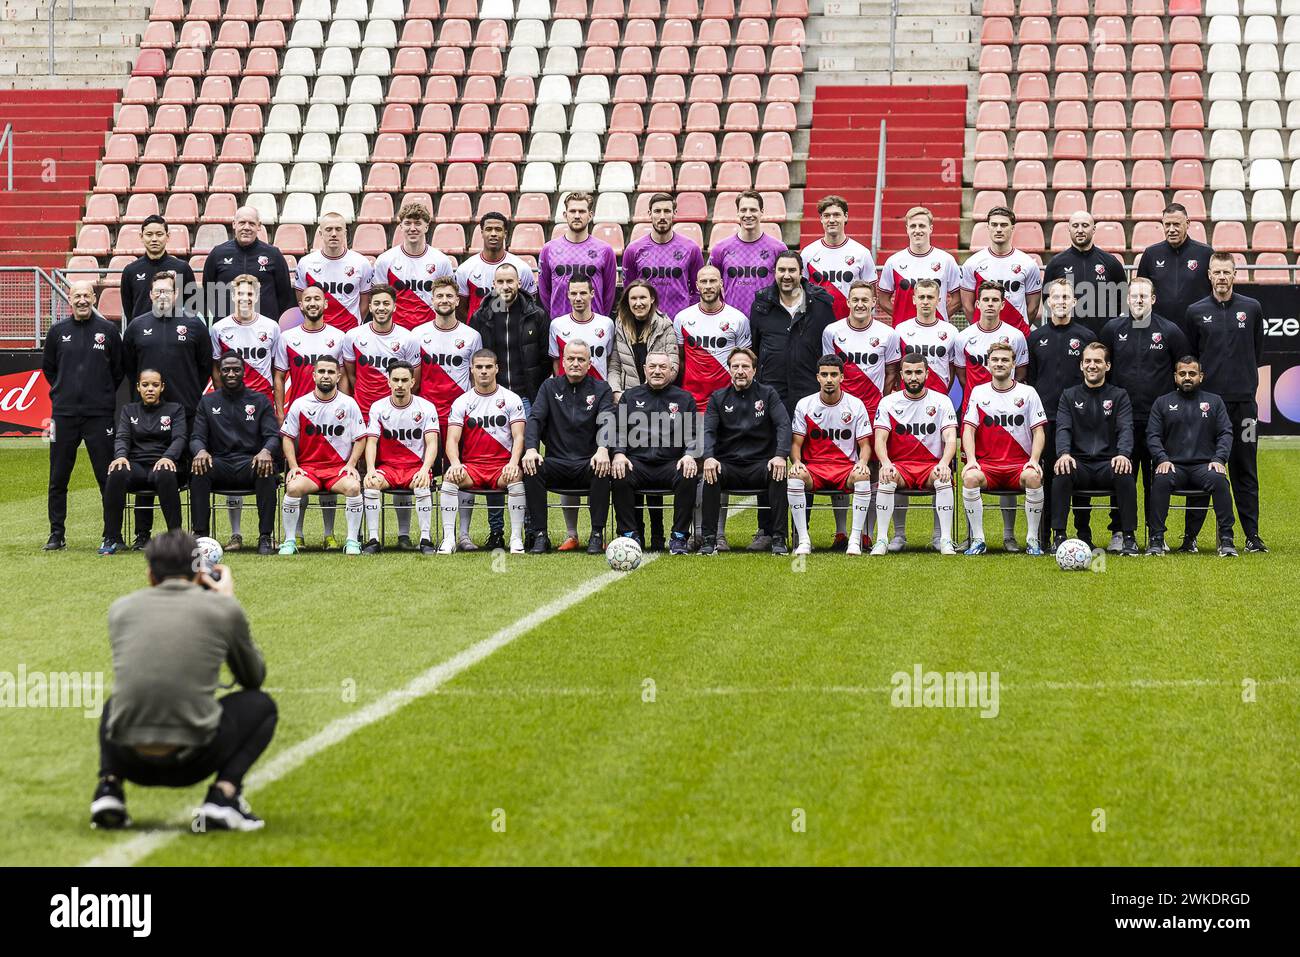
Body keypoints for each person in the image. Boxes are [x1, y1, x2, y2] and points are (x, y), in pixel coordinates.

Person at [90, 530, 275, 832]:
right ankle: (223, 796)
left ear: (151, 573)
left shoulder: (121, 609)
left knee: (117, 702)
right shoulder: (222, 609)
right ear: (200, 571)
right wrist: (227, 601)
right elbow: (252, 678)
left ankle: (109, 787)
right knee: (261, 705)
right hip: (192, 759)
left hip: (129, 756)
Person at [1182, 251, 1267, 553]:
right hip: (1207, 408)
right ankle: (1190, 537)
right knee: (1203, 468)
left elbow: (1256, 352)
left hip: (1245, 407)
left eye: (1226, 272)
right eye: (1216, 272)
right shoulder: (1195, 311)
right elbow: (1191, 358)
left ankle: (1252, 536)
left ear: (1234, 275)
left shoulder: (1252, 308)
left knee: (1245, 469)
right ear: (1209, 275)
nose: (1221, 277)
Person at [121, 271, 212, 546]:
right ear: (150, 295)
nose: (162, 296)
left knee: (195, 470)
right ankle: (141, 535)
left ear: (176, 295)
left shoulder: (194, 325)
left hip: (187, 411)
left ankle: (197, 533)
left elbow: (205, 367)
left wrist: (186, 391)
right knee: (146, 465)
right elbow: (129, 367)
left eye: (167, 291)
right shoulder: (136, 326)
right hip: (147, 412)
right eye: (157, 291)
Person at [1099, 277, 1189, 544]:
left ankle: (1155, 534)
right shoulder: (1112, 329)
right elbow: (1103, 370)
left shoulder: (1170, 331)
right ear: (1127, 299)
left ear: (1153, 299)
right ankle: (1120, 531)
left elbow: (1182, 369)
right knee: (1122, 475)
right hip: (1122, 420)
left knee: (1156, 478)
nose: (1138, 300)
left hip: (1158, 420)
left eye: (1144, 296)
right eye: (1134, 295)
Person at [468, 263, 550, 547]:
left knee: (527, 460)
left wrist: (537, 394)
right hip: (493, 398)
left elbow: (543, 359)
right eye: (500, 281)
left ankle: (530, 527)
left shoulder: (536, 315)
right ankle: (496, 531)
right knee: (494, 462)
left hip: (526, 397)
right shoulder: (482, 316)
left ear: (520, 283)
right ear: (493, 284)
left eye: (510, 281)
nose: (505, 286)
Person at [42, 280, 123, 551]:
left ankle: (112, 534)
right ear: (69, 298)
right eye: (77, 295)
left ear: (94, 298)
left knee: (107, 477)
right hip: (63, 415)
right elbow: (50, 370)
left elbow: (118, 371)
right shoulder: (57, 332)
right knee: (58, 477)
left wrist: (98, 395)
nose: (82, 300)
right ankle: (57, 534)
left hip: (99, 415)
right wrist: (65, 393)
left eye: (86, 295)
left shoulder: (109, 331)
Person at [820, 280, 899, 548]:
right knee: (841, 464)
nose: (860, 304)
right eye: (856, 299)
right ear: (849, 302)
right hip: (840, 410)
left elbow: (891, 372)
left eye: (866, 299)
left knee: (873, 469)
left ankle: (866, 531)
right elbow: (829, 369)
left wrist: (881, 404)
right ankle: (842, 531)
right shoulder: (832, 332)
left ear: (875, 302)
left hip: (874, 409)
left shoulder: (888, 334)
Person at [955, 281, 1029, 551]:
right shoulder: (963, 337)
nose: (989, 304)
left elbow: (1019, 374)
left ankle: (1009, 535)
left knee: (1007, 468)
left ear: (1002, 303)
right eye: (984, 299)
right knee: (971, 471)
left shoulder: (1016, 337)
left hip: (1008, 414)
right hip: (976, 414)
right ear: (977, 304)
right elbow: (963, 377)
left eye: (994, 300)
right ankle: (972, 535)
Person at [522, 340, 615, 554]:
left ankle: (596, 534)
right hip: (557, 463)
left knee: (602, 467)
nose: (575, 363)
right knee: (532, 467)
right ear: (562, 361)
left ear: (589, 363)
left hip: (588, 463)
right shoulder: (549, 387)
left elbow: (608, 420)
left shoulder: (601, 389)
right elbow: (535, 419)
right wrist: (531, 449)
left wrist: (603, 449)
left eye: (581, 359)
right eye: (571, 358)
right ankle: (540, 535)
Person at [889, 276, 961, 551]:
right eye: (922, 297)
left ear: (939, 299)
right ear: (914, 299)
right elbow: (895, 369)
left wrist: (944, 398)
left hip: (939, 407)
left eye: (932, 297)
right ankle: (898, 535)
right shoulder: (901, 330)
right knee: (900, 464)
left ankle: (938, 535)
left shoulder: (950, 331)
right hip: (905, 409)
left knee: (941, 468)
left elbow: (955, 370)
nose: (926, 302)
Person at [412, 277, 484, 551]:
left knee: (460, 472)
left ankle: (461, 534)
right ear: (432, 301)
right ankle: (425, 534)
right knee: (425, 473)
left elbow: (476, 375)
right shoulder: (417, 335)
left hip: (460, 417)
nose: (444, 300)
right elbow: (414, 380)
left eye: (449, 296)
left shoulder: (471, 336)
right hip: (428, 416)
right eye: (439, 296)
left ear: (457, 300)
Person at [1026, 278, 1097, 547]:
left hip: (1079, 418)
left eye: (1066, 298)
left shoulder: (1086, 338)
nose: (1061, 302)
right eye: (1056, 298)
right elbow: (1031, 381)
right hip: (1045, 421)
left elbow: (1092, 378)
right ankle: (1047, 534)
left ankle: (1083, 531)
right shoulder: (1036, 338)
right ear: (1048, 302)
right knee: (1046, 477)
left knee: (1077, 475)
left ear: (1075, 302)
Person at [700, 348, 791, 556]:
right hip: (729, 465)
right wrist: (709, 457)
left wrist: (780, 455)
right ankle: (708, 540)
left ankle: (778, 539)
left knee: (778, 473)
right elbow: (708, 430)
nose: (740, 371)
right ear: (729, 370)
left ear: (754, 370)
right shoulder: (718, 398)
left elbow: (784, 425)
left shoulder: (768, 394)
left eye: (745, 367)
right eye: (735, 367)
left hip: (761, 465)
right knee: (711, 474)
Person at [1051, 342, 1139, 556]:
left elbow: (1125, 428)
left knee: (1126, 470)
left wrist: (1123, 454)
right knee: (1062, 471)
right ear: (1081, 365)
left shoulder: (1119, 396)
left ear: (1107, 366)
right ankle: (1060, 536)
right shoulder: (1069, 396)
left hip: (1107, 464)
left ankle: (1128, 537)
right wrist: (1064, 454)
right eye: (1088, 361)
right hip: (1079, 464)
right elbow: (1063, 428)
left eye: (1098, 361)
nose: (1092, 365)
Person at [960, 343, 1047, 556]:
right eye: (995, 360)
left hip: (1019, 466)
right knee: (970, 478)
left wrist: (1034, 459)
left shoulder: (1028, 393)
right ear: (988, 364)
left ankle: (1032, 539)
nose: (1000, 364)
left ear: (1014, 364)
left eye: (1005, 360)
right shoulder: (978, 393)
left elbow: (1039, 431)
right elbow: (968, 429)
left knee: (1034, 477)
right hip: (988, 466)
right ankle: (978, 540)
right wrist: (971, 459)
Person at [610, 350, 700, 554]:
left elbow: (694, 433)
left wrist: (689, 455)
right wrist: (619, 454)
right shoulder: (629, 397)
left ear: (671, 371)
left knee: (689, 472)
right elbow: (619, 430)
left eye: (663, 367)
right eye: (653, 367)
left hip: (671, 463)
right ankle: (629, 535)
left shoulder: (684, 398)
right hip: (637, 463)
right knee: (619, 472)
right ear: (644, 370)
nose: (657, 371)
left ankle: (679, 537)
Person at [1145, 357, 1237, 557]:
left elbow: (1225, 433)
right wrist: (1162, 459)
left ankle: (1226, 539)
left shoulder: (1214, 402)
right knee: (1160, 480)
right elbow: (1152, 436)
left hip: (1204, 466)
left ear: (1201, 377)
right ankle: (1157, 539)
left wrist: (1219, 459)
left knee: (1219, 480)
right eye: (1183, 374)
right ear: (1175, 377)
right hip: (1173, 466)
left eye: (1192, 374)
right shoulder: (1162, 403)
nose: (1187, 378)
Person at [189, 354, 280, 555]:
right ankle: (201, 536)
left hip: (250, 462)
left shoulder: (260, 400)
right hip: (219, 462)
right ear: (219, 373)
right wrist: (201, 451)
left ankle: (265, 536)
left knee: (266, 469)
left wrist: (266, 451)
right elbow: (196, 437)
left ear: (243, 372)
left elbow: (273, 436)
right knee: (199, 469)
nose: (231, 373)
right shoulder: (207, 401)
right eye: (226, 370)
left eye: (236, 369)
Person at [439, 349, 527, 555]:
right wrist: (455, 463)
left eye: (488, 367)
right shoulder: (462, 401)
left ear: (497, 368)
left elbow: (519, 437)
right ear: (471, 369)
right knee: (450, 478)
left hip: (501, 467)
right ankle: (450, 538)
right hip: (473, 468)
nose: (484, 371)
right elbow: (452, 439)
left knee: (516, 478)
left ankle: (516, 538)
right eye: (479, 367)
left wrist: (513, 463)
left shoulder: (511, 399)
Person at [871, 353, 960, 555]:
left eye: (918, 372)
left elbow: (950, 438)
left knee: (943, 477)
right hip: (900, 466)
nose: (913, 377)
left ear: (927, 374)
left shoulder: (942, 401)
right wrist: (885, 463)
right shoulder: (888, 402)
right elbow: (880, 439)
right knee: (886, 477)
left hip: (931, 465)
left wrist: (945, 462)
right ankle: (885, 539)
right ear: (901, 374)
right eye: (909, 372)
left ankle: (943, 538)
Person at [278, 356, 367, 555]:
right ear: (314, 375)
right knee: (292, 488)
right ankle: (290, 541)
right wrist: (293, 466)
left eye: (330, 372)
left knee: (353, 487)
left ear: (338, 376)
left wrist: (352, 464)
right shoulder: (300, 404)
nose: (325, 376)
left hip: (337, 470)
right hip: (309, 469)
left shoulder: (349, 404)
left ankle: (352, 541)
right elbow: (287, 437)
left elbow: (361, 437)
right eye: (321, 372)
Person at [787, 355, 874, 556]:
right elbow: (796, 443)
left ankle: (854, 539)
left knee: (863, 475)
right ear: (817, 377)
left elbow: (865, 445)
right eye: (824, 374)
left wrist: (862, 461)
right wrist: (797, 462)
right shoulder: (805, 404)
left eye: (834, 375)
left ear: (842, 377)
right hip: (815, 468)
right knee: (795, 477)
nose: (829, 379)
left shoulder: (855, 405)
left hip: (845, 468)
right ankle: (804, 540)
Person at [100, 369, 187, 554]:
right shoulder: (129, 410)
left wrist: (168, 457)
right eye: (145, 385)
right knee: (116, 473)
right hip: (137, 466)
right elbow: (122, 436)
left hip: (164, 464)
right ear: (138, 387)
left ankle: (176, 538)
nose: (150, 389)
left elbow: (180, 438)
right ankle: (111, 537)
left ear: (162, 387)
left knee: (165, 472)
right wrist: (121, 456)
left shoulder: (175, 409)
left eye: (155, 385)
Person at [361, 361, 440, 556]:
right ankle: (373, 540)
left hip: (415, 467)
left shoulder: (426, 407)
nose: (400, 385)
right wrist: (371, 469)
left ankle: (425, 539)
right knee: (371, 483)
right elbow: (371, 442)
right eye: (395, 380)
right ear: (388, 382)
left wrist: (424, 469)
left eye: (404, 380)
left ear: (412, 381)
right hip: (388, 467)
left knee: (422, 484)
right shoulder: (378, 407)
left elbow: (432, 443)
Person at [342, 283, 421, 423]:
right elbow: (352, 375)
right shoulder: (353, 336)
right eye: (377, 303)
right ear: (370, 307)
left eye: (386, 303)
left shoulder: (409, 338)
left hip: (396, 411)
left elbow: (415, 380)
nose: (381, 308)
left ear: (394, 307)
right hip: (363, 410)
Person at [621, 192, 704, 320]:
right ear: (650, 214)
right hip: (646, 322)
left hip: (680, 322)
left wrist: (688, 317)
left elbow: (698, 289)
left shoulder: (691, 248)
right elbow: (629, 291)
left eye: (667, 211)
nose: (662, 216)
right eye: (657, 211)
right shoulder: (633, 250)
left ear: (674, 213)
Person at [960, 206, 1042, 335]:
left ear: (1012, 228)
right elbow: (967, 306)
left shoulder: (1028, 264)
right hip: (983, 334)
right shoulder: (972, 263)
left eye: (1004, 225)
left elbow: (1033, 307)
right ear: (988, 227)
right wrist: (983, 328)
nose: (998, 229)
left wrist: (1018, 331)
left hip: (1017, 334)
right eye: (994, 225)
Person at [372, 201, 455, 330]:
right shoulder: (385, 260)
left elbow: (450, 299)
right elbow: (379, 299)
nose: (412, 228)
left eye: (417, 223)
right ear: (400, 226)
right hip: (396, 331)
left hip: (430, 330)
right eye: (407, 223)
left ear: (426, 227)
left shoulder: (441, 261)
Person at [202, 205, 294, 321]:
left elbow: (284, 294)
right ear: (234, 224)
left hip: (263, 329)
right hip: (227, 328)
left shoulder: (273, 255)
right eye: (242, 223)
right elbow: (208, 293)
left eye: (251, 223)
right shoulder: (218, 254)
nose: (246, 227)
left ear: (259, 226)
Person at [1042, 210, 1127, 335]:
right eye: (1075, 226)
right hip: (1067, 335)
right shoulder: (1056, 263)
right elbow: (1047, 299)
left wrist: (1107, 322)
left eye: (1085, 225)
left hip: (1102, 336)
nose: (1080, 230)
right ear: (1069, 229)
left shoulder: (1110, 262)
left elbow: (1123, 297)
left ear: (1093, 229)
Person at [1136, 203, 1213, 338]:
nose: (1171, 229)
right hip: (1159, 332)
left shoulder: (1205, 253)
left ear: (1188, 224)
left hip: (1197, 329)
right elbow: (1140, 292)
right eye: (1167, 224)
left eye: (1176, 224)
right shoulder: (1151, 254)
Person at [537, 191, 618, 318]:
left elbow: (609, 294)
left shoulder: (605, 250)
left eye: (582, 211)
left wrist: (599, 318)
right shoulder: (549, 249)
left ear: (590, 215)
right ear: (565, 215)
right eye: (572, 211)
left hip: (594, 326)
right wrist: (557, 316)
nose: (577, 216)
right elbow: (544, 292)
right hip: (560, 324)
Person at [708, 190, 789, 317]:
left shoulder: (778, 248)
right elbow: (709, 283)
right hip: (731, 320)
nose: (748, 214)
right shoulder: (720, 248)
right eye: (743, 210)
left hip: (767, 320)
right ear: (737, 212)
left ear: (762, 211)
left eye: (753, 210)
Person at [876, 207, 963, 325]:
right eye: (913, 226)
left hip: (936, 331)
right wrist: (902, 317)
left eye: (922, 226)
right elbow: (883, 300)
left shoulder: (946, 260)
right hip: (904, 332)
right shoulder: (893, 262)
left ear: (931, 228)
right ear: (907, 229)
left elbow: (958, 299)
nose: (917, 230)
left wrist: (939, 318)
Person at [274, 285, 349, 421]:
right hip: (298, 413)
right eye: (308, 299)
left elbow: (342, 377)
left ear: (325, 304)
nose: (312, 303)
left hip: (331, 414)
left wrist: (346, 409)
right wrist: (279, 414)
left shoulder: (339, 337)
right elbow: (279, 377)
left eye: (317, 299)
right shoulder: (287, 338)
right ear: (301, 305)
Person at [293, 211, 374, 332]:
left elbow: (365, 300)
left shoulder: (361, 263)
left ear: (345, 233)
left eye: (338, 229)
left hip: (349, 331)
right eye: (329, 229)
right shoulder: (306, 263)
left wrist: (354, 322)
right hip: (318, 332)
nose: (334, 234)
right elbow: (302, 299)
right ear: (321, 233)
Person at [801, 194, 878, 319]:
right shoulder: (808, 253)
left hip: (851, 324)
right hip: (817, 324)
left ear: (846, 217)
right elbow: (801, 293)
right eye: (826, 216)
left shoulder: (861, 253)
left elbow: (872, 295)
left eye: (836, 215)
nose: (831, 220)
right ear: (821, 219)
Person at [455, 211, 537, 320]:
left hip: (512, 333)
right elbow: (460, 309)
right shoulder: (465, 269)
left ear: (505, 233)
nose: (493, 233)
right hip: (478, 334)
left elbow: (531, 307)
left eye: (498, 229)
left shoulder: (522, 269)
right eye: (489, 229)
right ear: (482, 233)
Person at [210, 273, 280, 399]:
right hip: (231, 398)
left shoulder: (272, 327)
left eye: (249, 294)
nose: (244, 298)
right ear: (233, 296)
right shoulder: (219, 328)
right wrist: (221, 398)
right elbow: (216, 368)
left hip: (262, 398)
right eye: (240, 294)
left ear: (257, 297)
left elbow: (276, 367)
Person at [608, 280, 678, 400]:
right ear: (628, 301)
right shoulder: (621, 327)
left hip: (657, 396)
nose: (638, 303)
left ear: (652, 299)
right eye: (634, 298)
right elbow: (615, 366)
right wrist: (615, 391)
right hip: (627, 395)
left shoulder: (665, 326)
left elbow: (673, 366)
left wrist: (648, 389)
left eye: (642, 298)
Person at [120, 214, 198, 320]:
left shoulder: (182, 268)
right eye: (149, 234)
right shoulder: (131, 271)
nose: (154, 239)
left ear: (167, 236)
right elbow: (128, 309)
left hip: (175, 332)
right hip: (143, 333)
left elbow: (192, 306)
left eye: (159, 234)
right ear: (141, 237)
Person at [548, 275, 617, 380]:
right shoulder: (557, 325)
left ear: (592, 294)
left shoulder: (607, 324)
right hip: (568, 391)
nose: (578, 298)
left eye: (583, 293)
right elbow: (556, 362)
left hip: (598, 389)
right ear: (568, 295)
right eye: (574, 293)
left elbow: (609, 359)